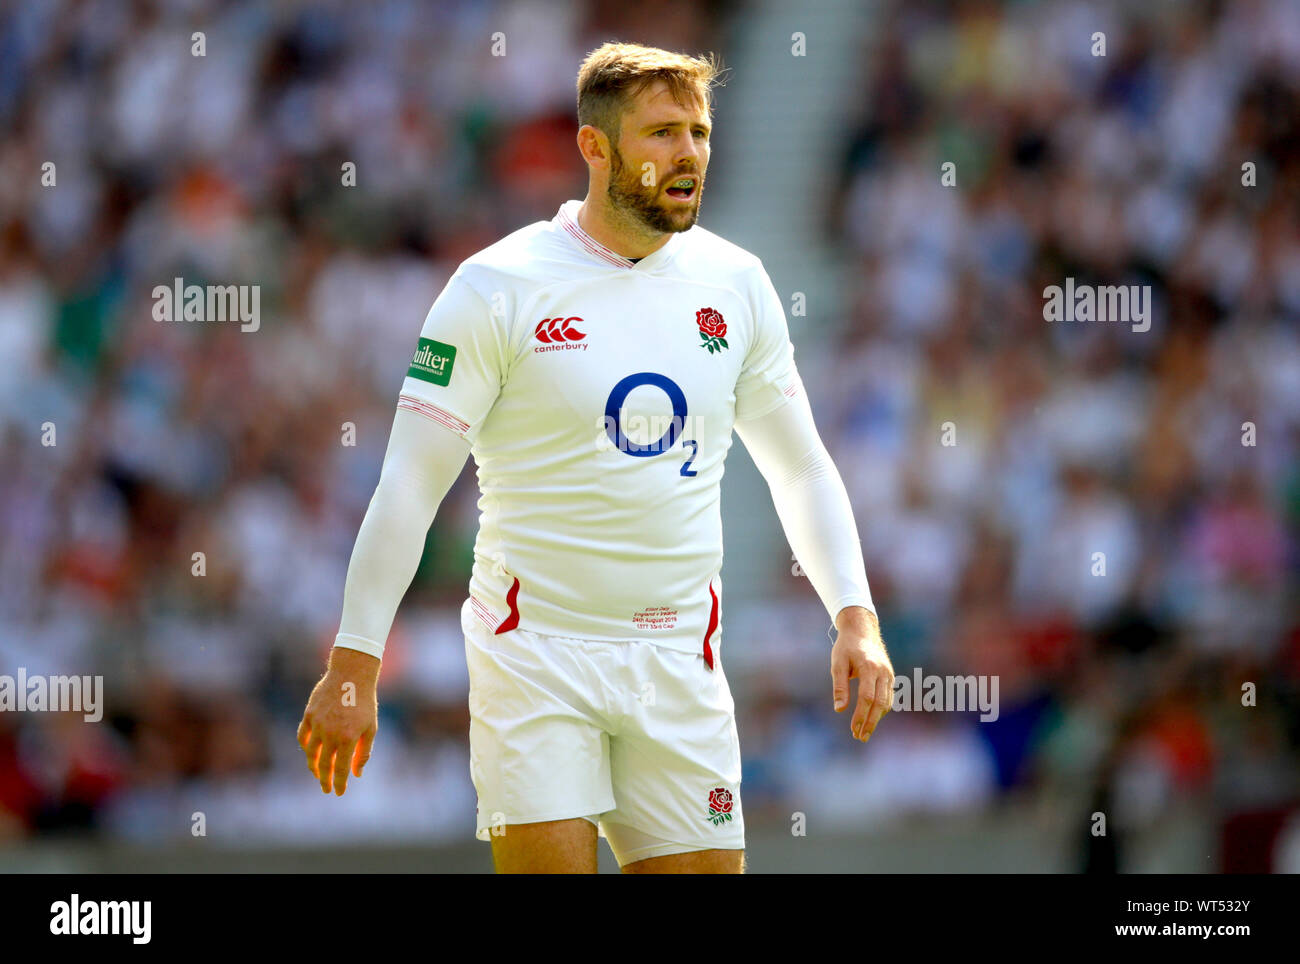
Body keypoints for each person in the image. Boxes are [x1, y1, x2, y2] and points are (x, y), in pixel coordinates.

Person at [297, 41, 893, 874]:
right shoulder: (494, 286)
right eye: (661, 134)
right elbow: (409, 483)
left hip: (679, 655)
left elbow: (800, 467)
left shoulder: (739, 284)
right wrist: (354, 662)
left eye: (699, 132)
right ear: (594, 148)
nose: (688, 155)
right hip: (535, 652)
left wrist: (854, 616)